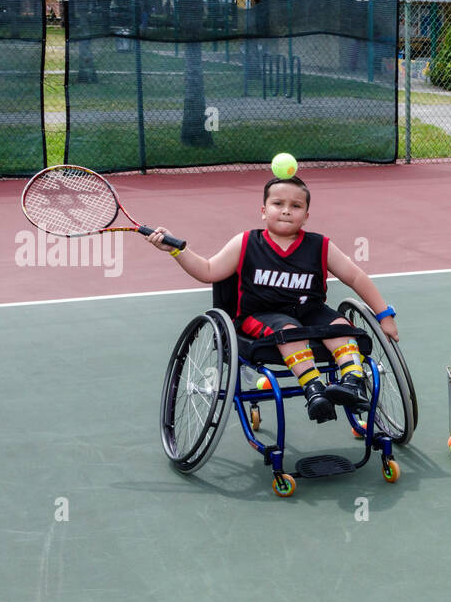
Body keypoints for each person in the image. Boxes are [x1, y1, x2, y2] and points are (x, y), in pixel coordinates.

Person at [146, 176, 401, 422]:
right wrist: (177, 250)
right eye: (278, 204)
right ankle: (314, 390)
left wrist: (383, 315)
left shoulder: (320, 245)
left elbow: (355, 277)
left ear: (306, 216)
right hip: (261, 315)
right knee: (289, 331)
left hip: (309, 310)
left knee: (341, 327)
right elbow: (208, 271)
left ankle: (352, 383)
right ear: (264, 211)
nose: (287, 211)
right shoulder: (246, 242)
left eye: (296, 206)